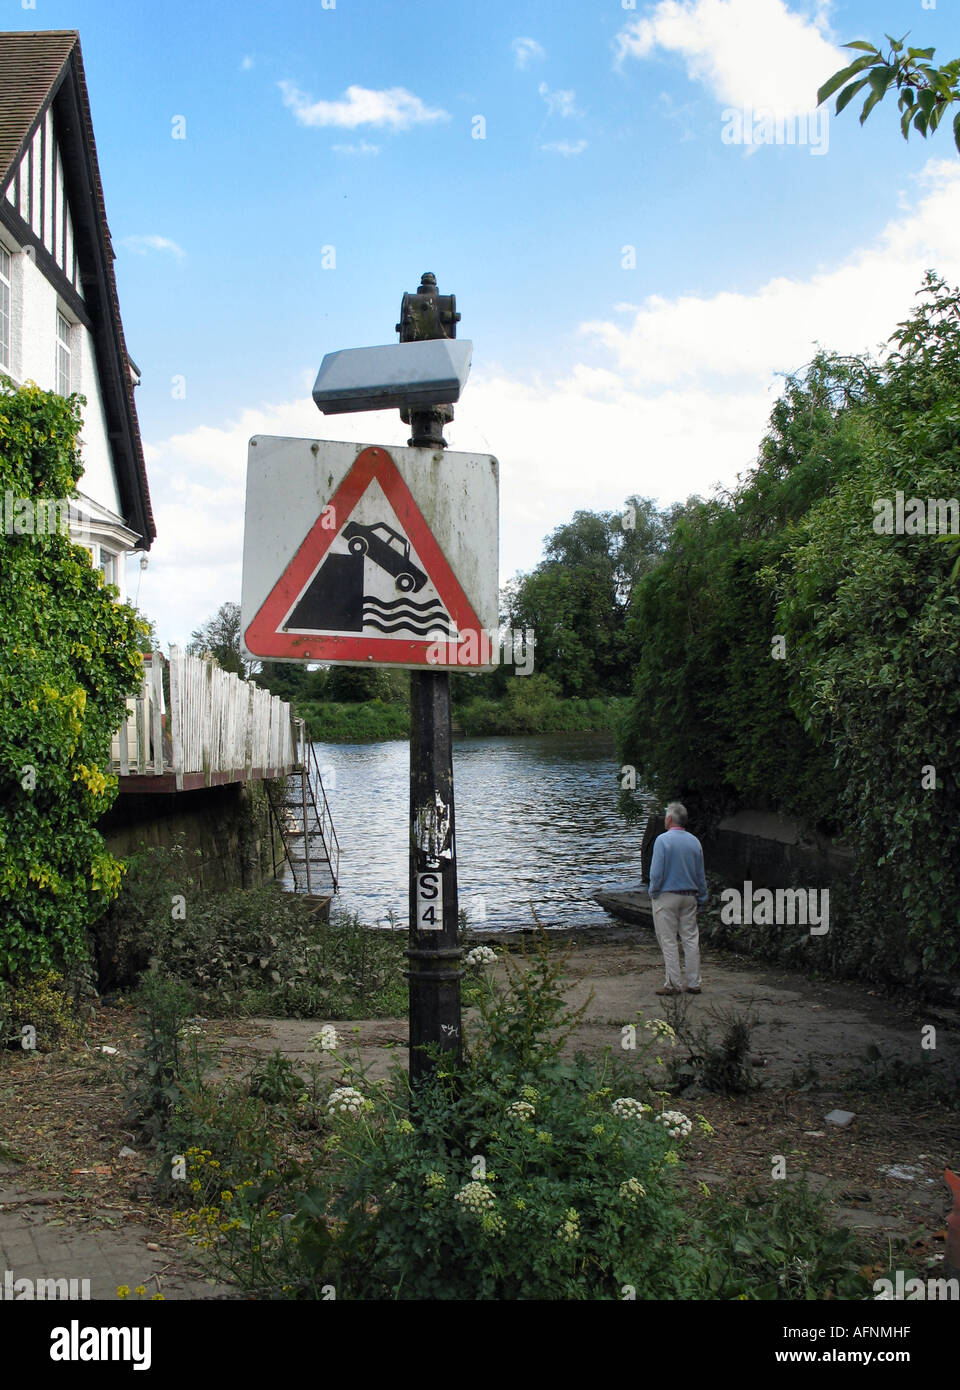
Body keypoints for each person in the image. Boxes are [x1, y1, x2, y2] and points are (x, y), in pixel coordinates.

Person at [647, 801, 707, 996]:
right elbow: (700, 874)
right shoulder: (694, 841)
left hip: (667, 895)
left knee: (668, 939)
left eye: (666, 815)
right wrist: (702, 896)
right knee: (690, 938)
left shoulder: (662, 841)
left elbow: (656, 873)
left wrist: (653, 892)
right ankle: (694, 982)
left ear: (670, 819)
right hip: (690, 895)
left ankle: (673, 983)